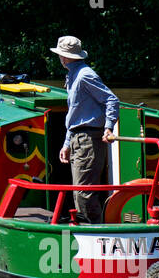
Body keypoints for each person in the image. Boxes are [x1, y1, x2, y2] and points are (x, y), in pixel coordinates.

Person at [51, 35, 119, 223]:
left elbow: (111, 100)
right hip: (78, 138)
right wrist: (66, 143)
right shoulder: (73, 75)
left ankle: (94, 233)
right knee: (80, 191)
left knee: (84, 193)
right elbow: (74, 113)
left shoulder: (85, 75)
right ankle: (88, 228)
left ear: (64, 57)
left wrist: (108, 127)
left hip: (88, 139)